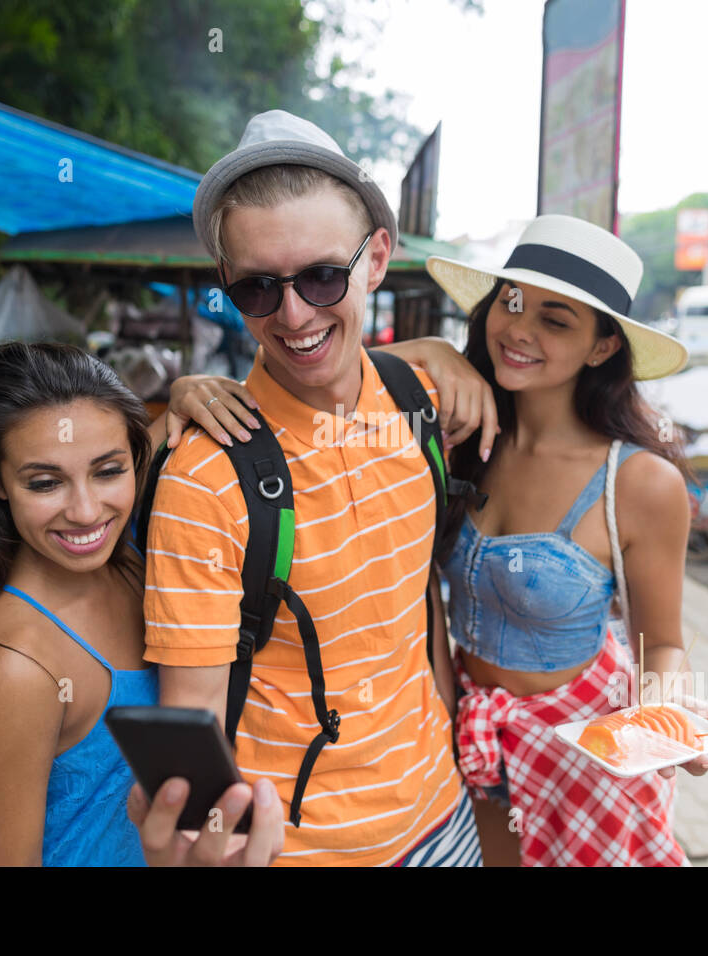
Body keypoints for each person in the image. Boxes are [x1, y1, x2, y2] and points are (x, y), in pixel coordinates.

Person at [176, 215, 708, 867]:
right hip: (468, 742)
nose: (520, 330)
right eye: (512, 302)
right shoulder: (455, 431)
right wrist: (197, 391)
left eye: (556, 321)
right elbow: (324, 363)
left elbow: (661, 642)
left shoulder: (639, 482)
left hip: (589, 758)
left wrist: (665, 719)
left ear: (602, 348)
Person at [140, 109, 486, 866]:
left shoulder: (420, 401)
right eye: (257, 289)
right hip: (297, 851)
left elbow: (419, 603)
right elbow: (193, 717)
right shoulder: (205, 477)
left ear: (377, 258)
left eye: (324, 276)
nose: (294, 316)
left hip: (443, 814)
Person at [0, 342, 283, 866]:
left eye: (108, 472)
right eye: (45, 483)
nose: (87, 511)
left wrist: (184, 392)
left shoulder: (130, 552)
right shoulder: (14, 662)